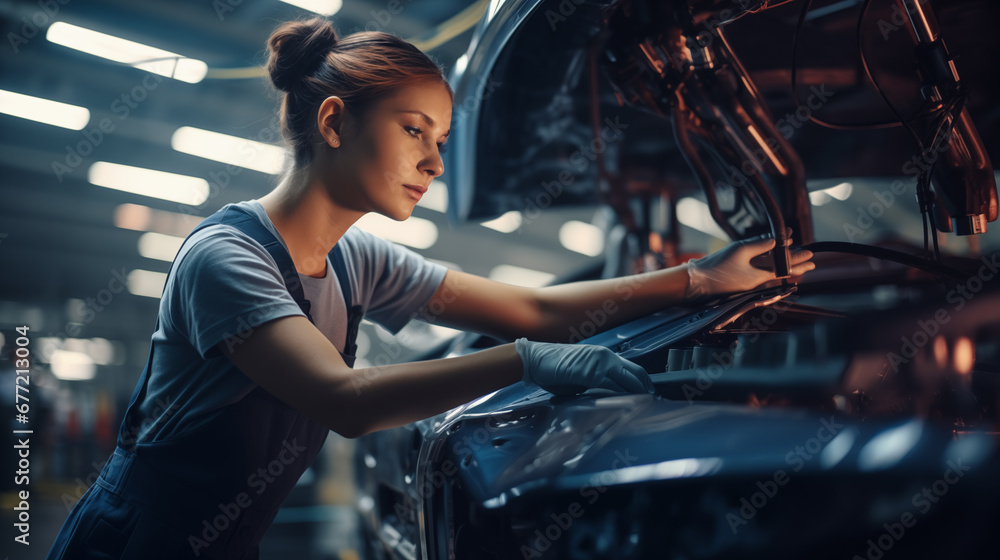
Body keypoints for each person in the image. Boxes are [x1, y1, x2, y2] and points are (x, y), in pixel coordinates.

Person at [46, 15, 815, 560]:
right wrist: (525, 361)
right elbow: (345, 402)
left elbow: (535, 307)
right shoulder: (227, 260)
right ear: (336, 121)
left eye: (441, 140)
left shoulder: (356, 260)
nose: (436, 164)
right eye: (416, 131)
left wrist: (698, 278)